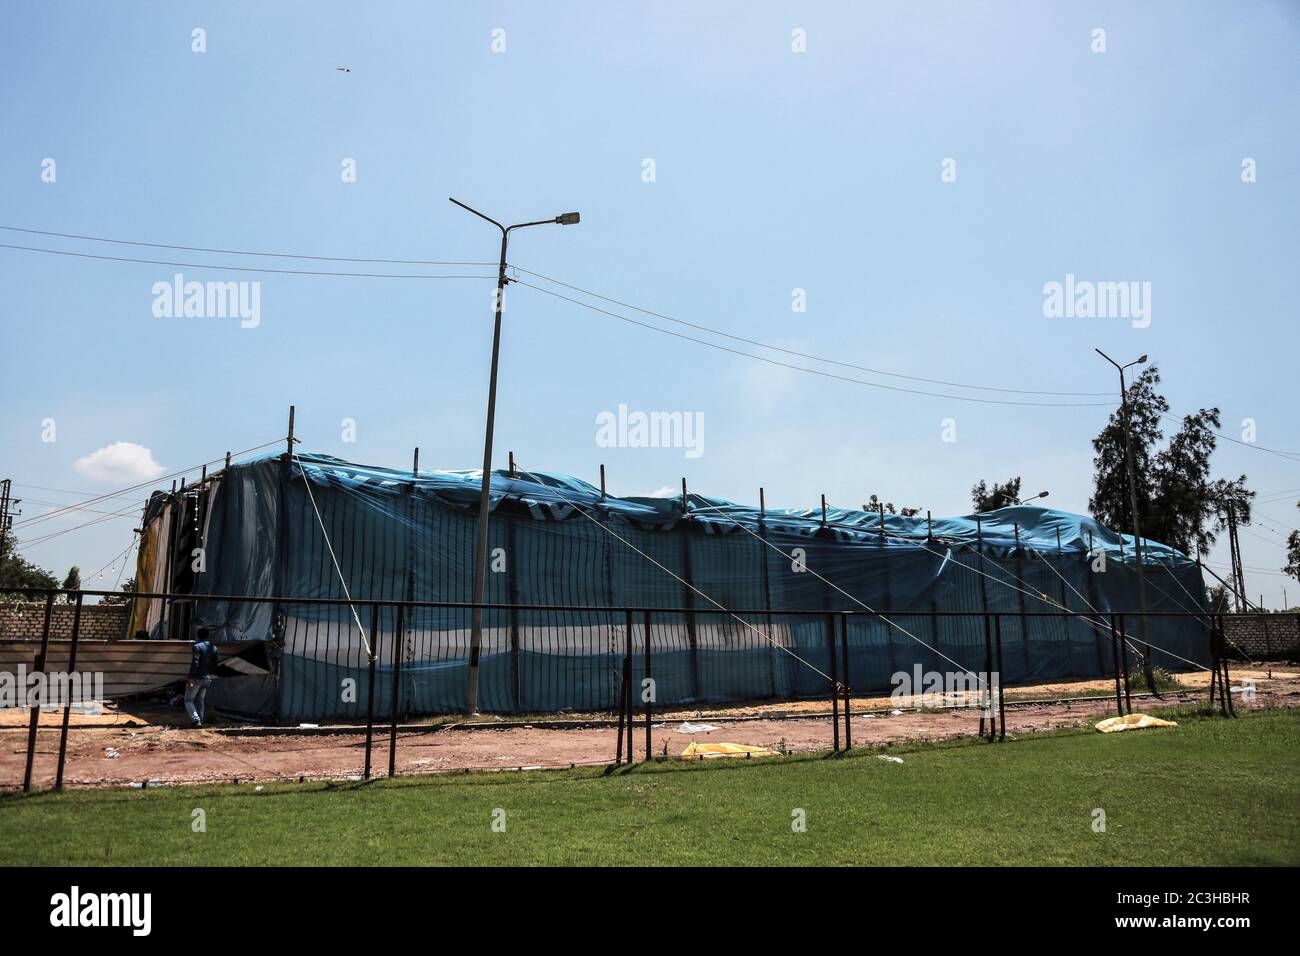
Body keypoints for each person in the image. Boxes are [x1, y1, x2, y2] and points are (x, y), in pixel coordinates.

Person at [185, 627, 219, 728]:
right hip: (207, 678)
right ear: (208, 636)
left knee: (188, 700)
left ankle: (196, 720)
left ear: (198, 636)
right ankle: (200, 720)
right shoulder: (214, 648)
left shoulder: (196, 646)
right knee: (200, 700)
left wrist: (190, 678)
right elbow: (215, 664)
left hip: (197, 678)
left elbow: (195, 663)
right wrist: (210, 674)